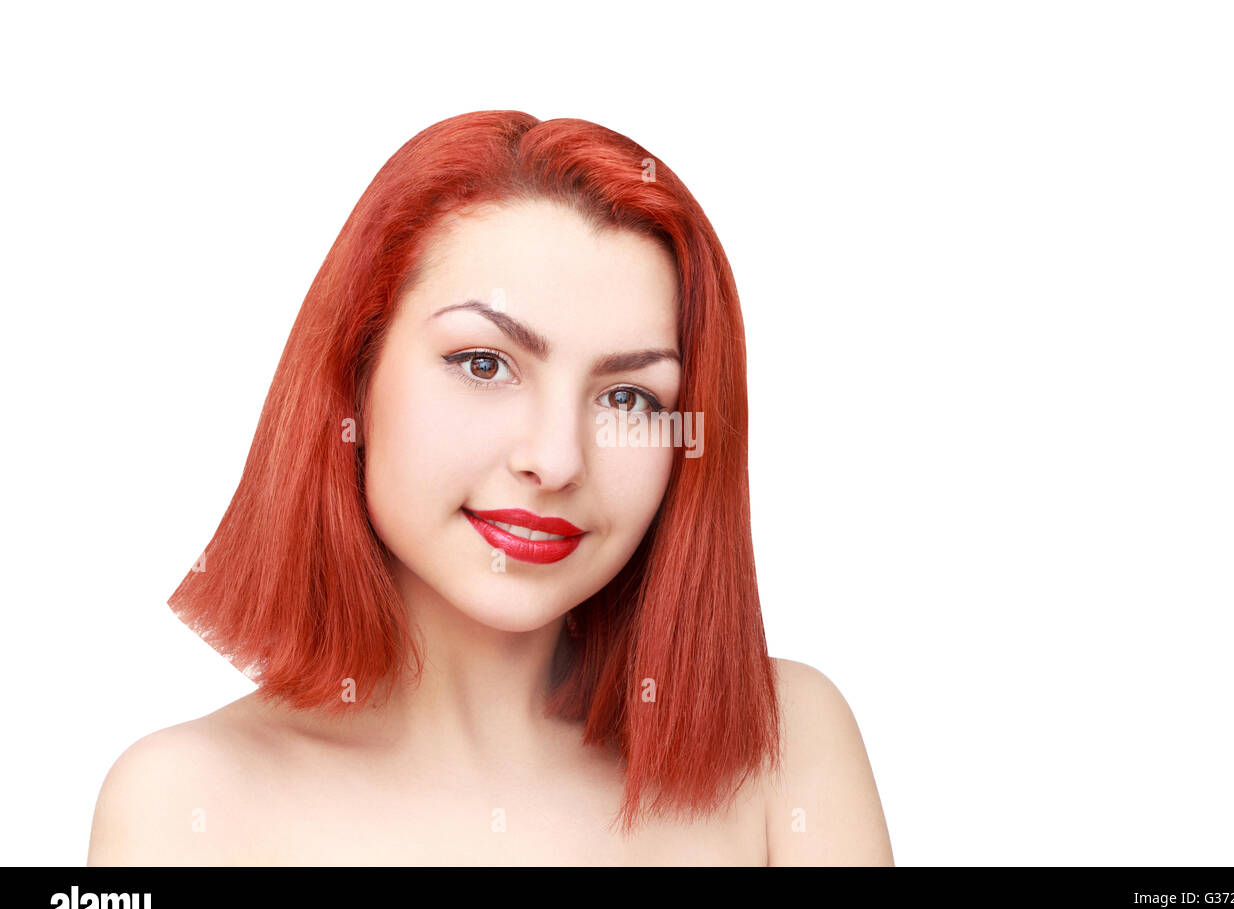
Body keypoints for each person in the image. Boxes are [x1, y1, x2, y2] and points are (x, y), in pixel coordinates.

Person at [87, 110, 893, 865]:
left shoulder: (782, 746)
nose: (556, 460)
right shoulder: (186, 805)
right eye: (484, 363)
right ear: (356, 376)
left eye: (628, 397)